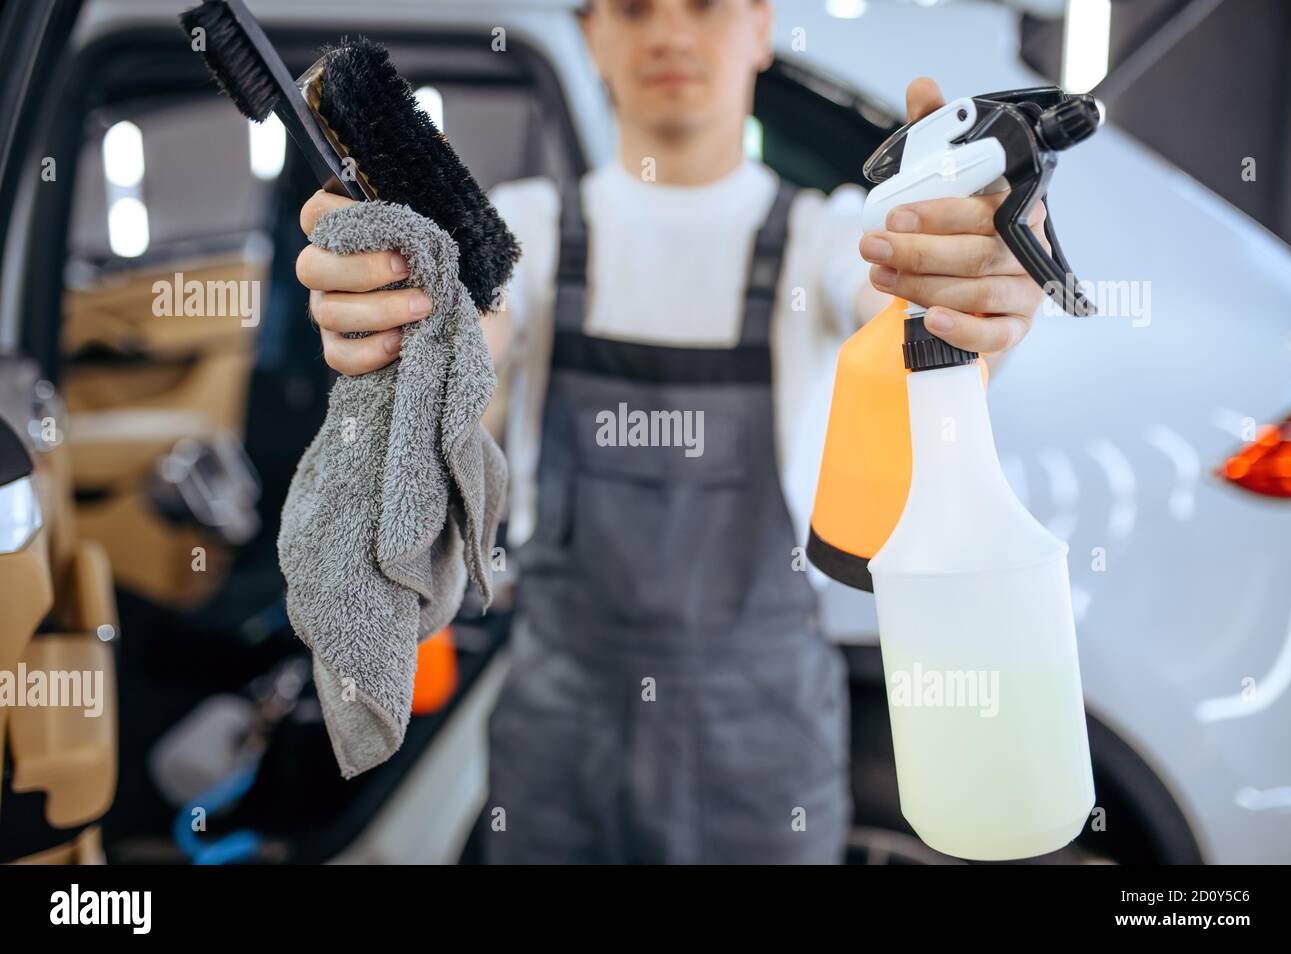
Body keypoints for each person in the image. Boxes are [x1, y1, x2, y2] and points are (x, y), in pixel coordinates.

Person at [294, 0, 1051, 863]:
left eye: (704, 6)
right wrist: (394, 328)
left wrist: (967, 279)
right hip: (559, 741)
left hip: (761, 748)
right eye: (634, 7)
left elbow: (907, 300)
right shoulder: (527, 235)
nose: (671, 33)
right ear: (592, 35)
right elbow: (469, 351)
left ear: (760, 27)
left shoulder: (829, 242)